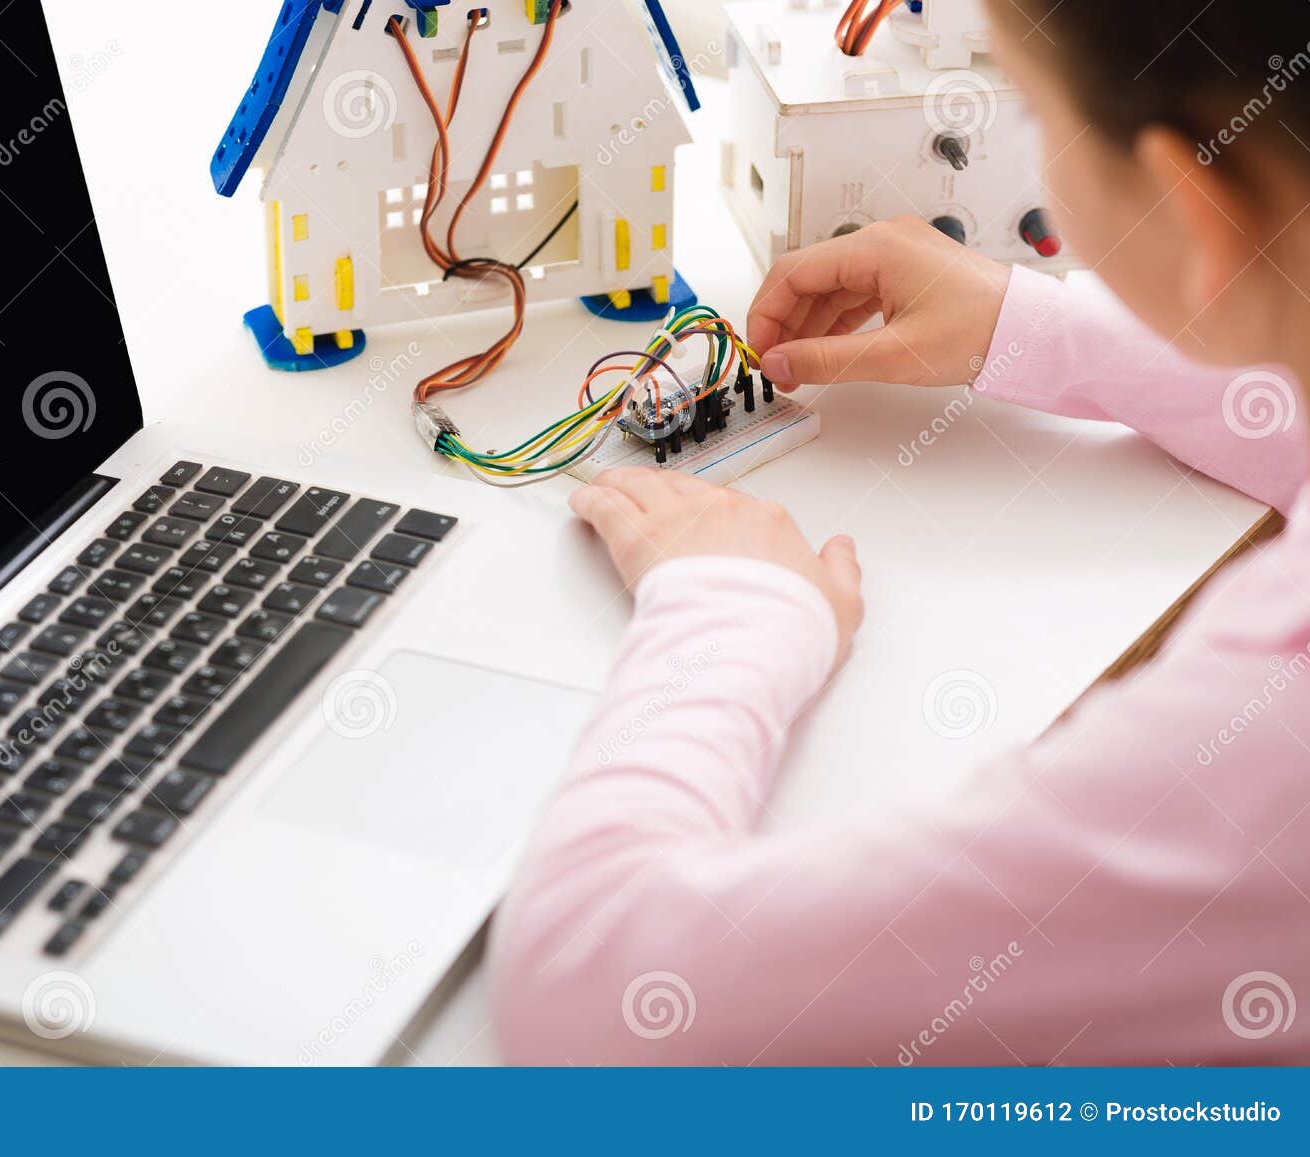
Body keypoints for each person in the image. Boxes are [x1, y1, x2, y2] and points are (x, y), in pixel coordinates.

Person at [488, 1, 1310, 1064]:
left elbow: (594, 1002)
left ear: (1194, 207)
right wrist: (1034, 326)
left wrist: (730, 614)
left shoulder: (1262, 745)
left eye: (1029, 113)